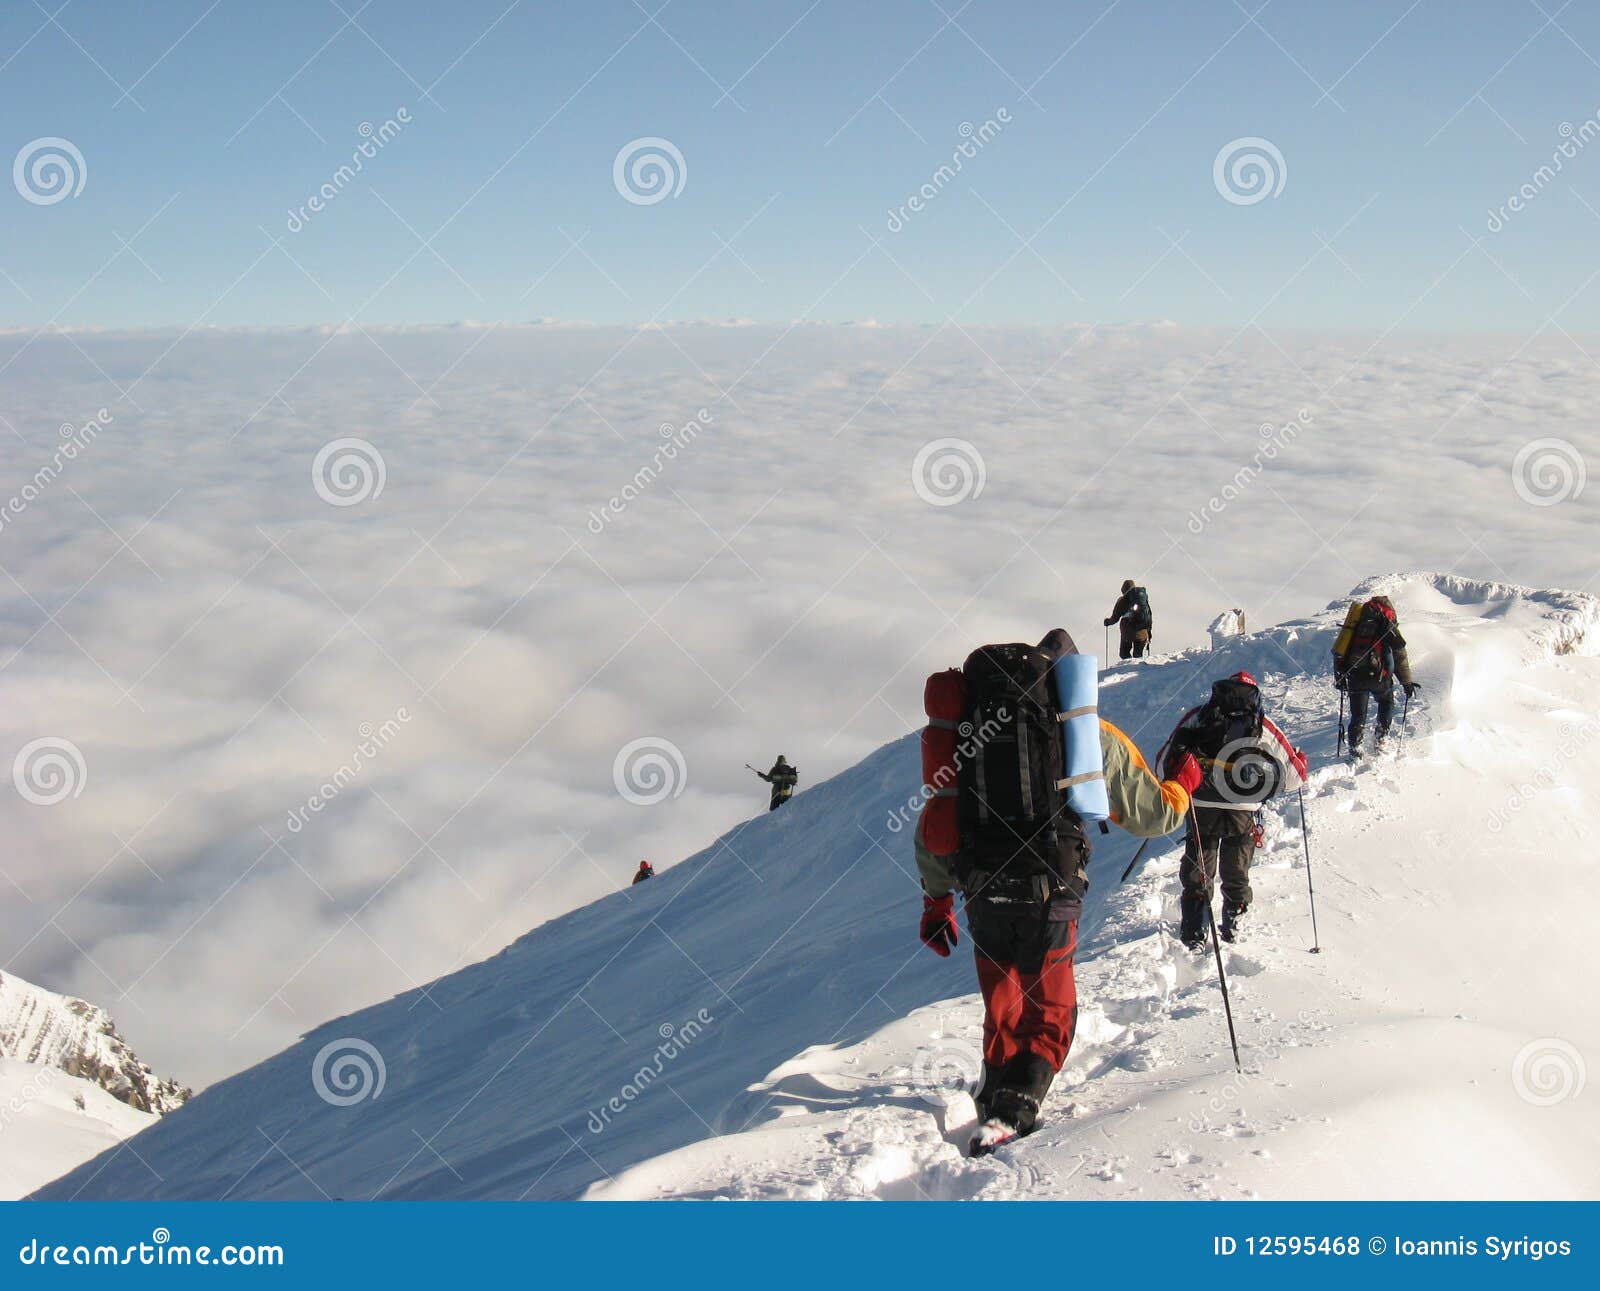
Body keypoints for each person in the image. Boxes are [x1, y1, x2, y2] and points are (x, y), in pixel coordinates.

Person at [913, 628, 1203, 1152]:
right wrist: (1185, 784)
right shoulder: (1086, 732)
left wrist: (936, 901)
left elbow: (937, 817)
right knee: (1049, 1003)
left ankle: (993, 1092)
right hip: (1050, 884)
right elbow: (1154, 814)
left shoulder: (964, 731)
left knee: (1001, 996)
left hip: (981, 885)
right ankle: (1014, 1111)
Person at [1162, 671, 1306, 950]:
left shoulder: (1199, 717)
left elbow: (1164, 763)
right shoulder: (1261, 723)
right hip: (1243, 805)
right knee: (1237, 866)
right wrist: (1300, 761)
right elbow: (1292, 778)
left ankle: (1194, 932)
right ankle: (1233, 926)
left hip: (1201, 803)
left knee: (1199, 867)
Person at [1335, 594, 1419, 756]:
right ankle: (1380, 739)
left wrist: (1339, 677)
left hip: (1355, 676)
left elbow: (1340, 651)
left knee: (1358, 715)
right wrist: (1406, 682)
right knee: (1386, 702)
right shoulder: (1386, 625)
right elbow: (1399, 655)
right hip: (1379, 678)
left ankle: (1355, 748)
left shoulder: (1355, 624)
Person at [1103, 579, 1153, 659]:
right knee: (1138, 655)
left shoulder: (1122, 600)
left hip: (1128, 632)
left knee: (1124, 654)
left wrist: (1107, 622)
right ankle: (1138, 669)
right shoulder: (1142, 598)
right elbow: (1148, 614)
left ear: (1123, 590)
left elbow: (1115, 618)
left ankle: (1128, 669)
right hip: (1143, 632)